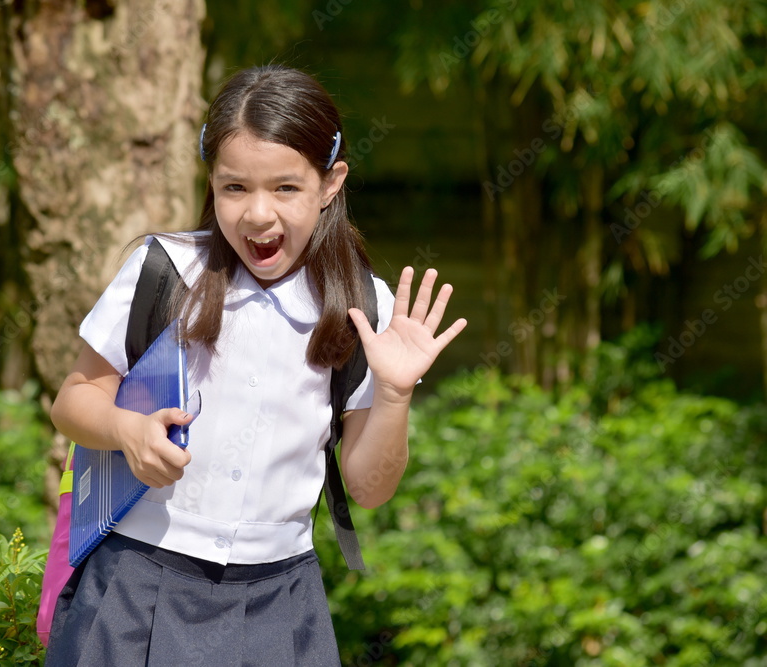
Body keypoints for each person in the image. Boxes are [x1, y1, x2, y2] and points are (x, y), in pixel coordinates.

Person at [45, 64, 467, 666]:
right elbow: (76, 396)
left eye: (286, 189)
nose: (258, 215)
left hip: (280, 603)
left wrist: (395, 394)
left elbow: (370, 490)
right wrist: (125, 431)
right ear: (211, 183)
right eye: (234, 188)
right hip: (136, 588)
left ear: (330, 183)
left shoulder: (364, 309)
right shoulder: (164, 270)